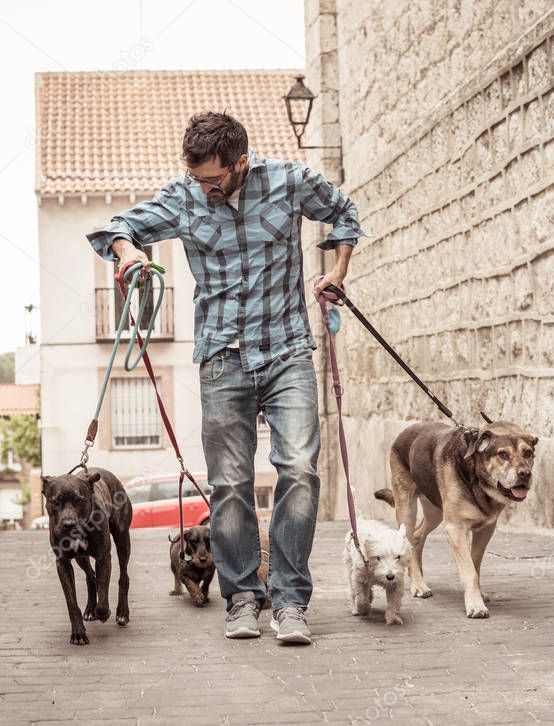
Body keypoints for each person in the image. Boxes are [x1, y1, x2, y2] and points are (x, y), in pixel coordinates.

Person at [87, 111, 367, 645]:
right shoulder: (184, 195)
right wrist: (127, 256)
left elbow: (344, 213)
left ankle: (289, 601)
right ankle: (242, 598)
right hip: (221, 357)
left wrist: (338, 270)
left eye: (212, 179)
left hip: (287, 351)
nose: (203, 189)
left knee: (300, 471)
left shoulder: (289, 182)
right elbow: (117, 229)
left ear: (240, 164)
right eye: (196, 179)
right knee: (229, 485)